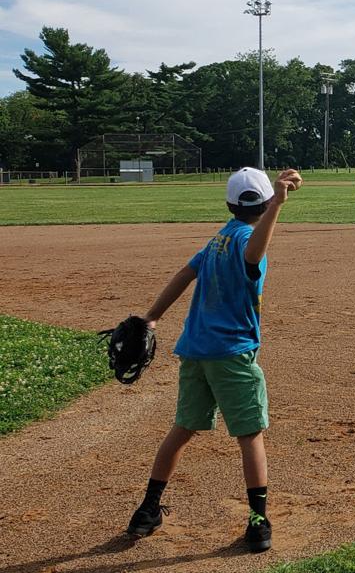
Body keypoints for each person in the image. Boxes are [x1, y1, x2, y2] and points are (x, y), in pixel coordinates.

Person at [125, 167, 302, 552]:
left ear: (229, 204)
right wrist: (278, 205)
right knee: (249, 434)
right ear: (264, 204)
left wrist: (152, 317)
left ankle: (148, 509)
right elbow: (253, 254)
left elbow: (183, 275)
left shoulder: (218, 239)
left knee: (182, 428)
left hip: (195, 351)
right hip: (231, 353)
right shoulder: (246, 240)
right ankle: (258, 521)